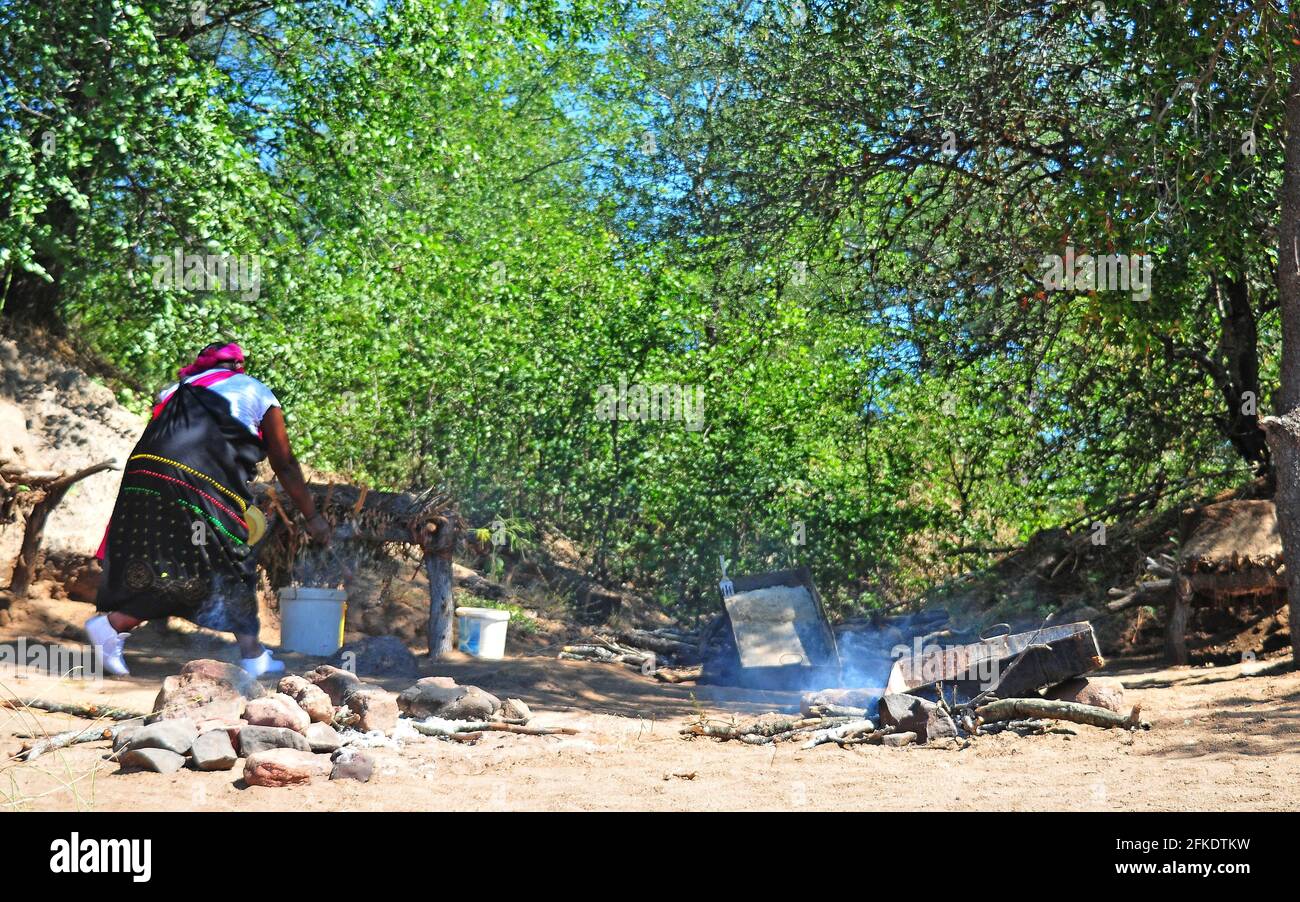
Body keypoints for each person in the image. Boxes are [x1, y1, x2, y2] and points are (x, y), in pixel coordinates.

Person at [85, 341, 330, 677]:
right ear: (239, 366)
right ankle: (251, 655)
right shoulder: (256, 391)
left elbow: (163, 438)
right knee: (229, 555)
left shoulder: (176, 390)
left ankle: (114, 627)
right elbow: (284, 463)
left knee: (174, 566)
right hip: (195, 480)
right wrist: (312, 516)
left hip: (142, 478)